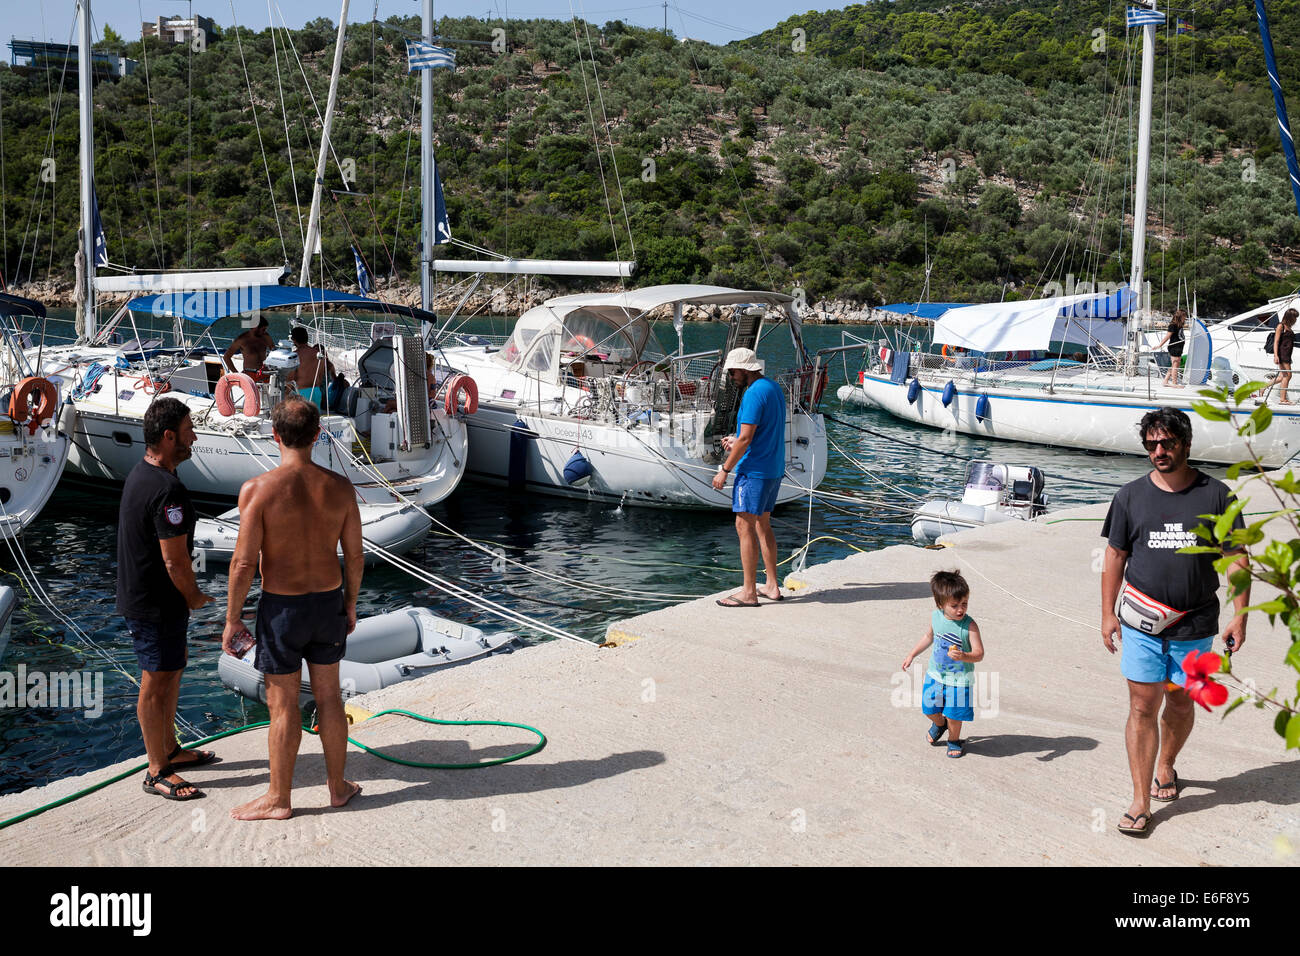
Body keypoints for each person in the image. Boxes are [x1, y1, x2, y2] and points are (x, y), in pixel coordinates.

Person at [1100, 407, 1249, 837]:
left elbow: (1237, 557)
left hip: (1196, 625)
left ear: (1185, 443)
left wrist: (1240, 615)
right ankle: (1140, 799)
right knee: (1142, 705)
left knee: (1181, 702)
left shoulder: (1217, 496)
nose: (1159, 452)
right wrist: (1107, 613)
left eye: (1166, 443)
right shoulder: (1129, 496)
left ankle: (1167, 762)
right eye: (1151, 445)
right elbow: (1115, 556)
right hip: (1141, 625)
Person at [222, 397, 363, 820]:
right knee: (330, 699)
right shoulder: (340, 488)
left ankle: (280, 799)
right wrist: (351, 604)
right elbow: (354, 557)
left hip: (282, 609)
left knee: (281, 705)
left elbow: (244, 563)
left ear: (275, 435)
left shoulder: (258, 490)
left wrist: (232, 619)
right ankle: (337, 787)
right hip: (327, 604)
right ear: (318, 435)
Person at [117, 396, 215, 801]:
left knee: (172, 671)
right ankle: (156, 769)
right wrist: (195, 597)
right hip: (155, 601)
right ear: (169, 435)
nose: (194, 437)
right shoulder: (166, 489)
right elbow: (175, 561)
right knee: (155, 681)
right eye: (189, 430)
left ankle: (170, 748)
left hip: (154, 598)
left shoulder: (143, 474)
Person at [711, 347, 786, 607]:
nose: (732, 377)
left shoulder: (753, 394)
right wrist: (738, 440)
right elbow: (757, 432)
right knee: (762, 524)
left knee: (743, 526)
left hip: (753, 470)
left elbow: (745, 438)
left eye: (733, 372)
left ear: (744, 370)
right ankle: (773, 586)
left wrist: (725, 470)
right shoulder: (772, 388)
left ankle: (749, 592)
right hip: (773, 468)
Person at [901, 570, 984, 758]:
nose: (961, 609)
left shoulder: (969, 626)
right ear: (940, 604)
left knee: (955, 715)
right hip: (935, 675)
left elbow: (979, 654)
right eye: (954, 606)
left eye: (964, 604)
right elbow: (928, 636)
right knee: (928, 708)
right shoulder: (936, 617)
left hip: (960, 680)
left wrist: (964, 655)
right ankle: (940, 724)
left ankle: (954, 740)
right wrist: (912, 654)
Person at [289, 326, 337, 409]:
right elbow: (320, 376)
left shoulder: (295, 355)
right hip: (317, 391)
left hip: (302, 392)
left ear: (294, 340)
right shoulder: (319, 354)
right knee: (315, 420)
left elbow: (291, 379)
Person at [1154, 309, 1186, 388]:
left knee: (1175, 365)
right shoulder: (1173, 325)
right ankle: (1174, 383)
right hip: (1174, 347)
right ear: (1180, 316)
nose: (1185, 318)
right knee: (1175, 365)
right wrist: (1160, 345)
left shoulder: (1179, 325)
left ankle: (1165, 380)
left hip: (1179, 347)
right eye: (1184, 316)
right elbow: (1167, 336)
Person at [1272, 308, 1296, 405]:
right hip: (1282, 354)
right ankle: (1283, 399)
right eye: (1294, 317)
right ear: (1289, 317)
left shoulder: (1288, 327)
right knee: (1288, 375)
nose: (1295, 320)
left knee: (1282, 377)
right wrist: (1275, 355)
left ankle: (1263, 387)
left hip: (1287, 354)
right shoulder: (1280, 326)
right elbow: (1276, 342)